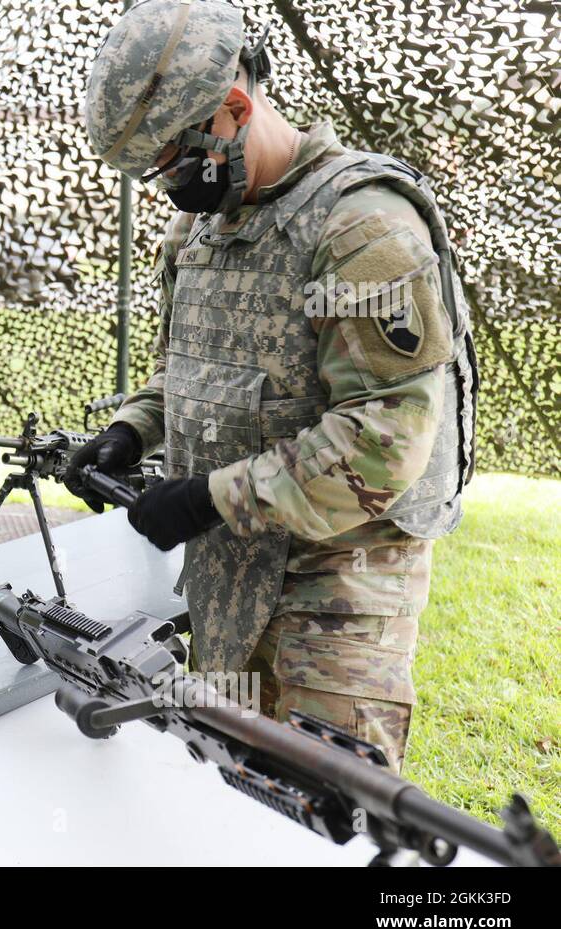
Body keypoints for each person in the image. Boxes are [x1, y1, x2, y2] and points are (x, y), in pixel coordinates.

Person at [65, 0, 477, 773]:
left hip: (336, 602)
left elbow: (383, 441)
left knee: (326, 816)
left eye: (174, 163)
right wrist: (133, 430)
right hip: (228, 588)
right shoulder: (201, 231)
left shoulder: (360, 228)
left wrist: (207, 498)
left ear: (232, 109)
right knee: (228, 798)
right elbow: (187, 371)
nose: (170, 188)